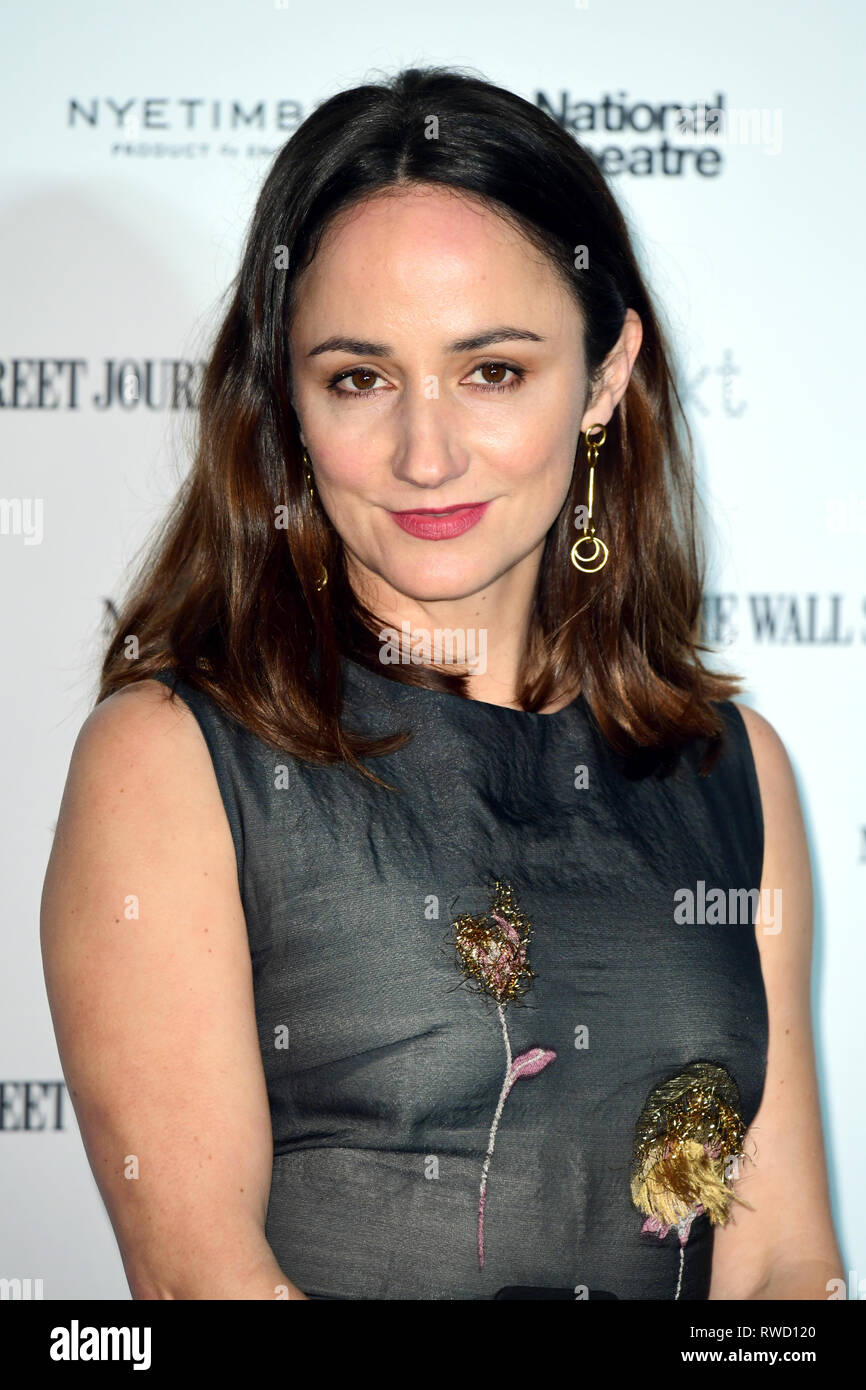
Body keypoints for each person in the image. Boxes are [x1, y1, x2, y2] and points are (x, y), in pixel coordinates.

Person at [40, 65, 842, 1301]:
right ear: (288, 401)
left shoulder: (727, 770)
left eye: (491, 371)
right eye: (358, 377)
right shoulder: (175, 757)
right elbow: (205, 1284)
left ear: (605, 376)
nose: (424, 453)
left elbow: (779, 1263)